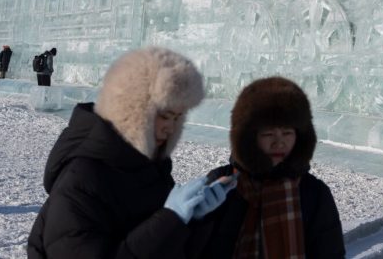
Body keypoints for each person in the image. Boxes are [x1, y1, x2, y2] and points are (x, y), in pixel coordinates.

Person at [28, 47, 234, 259]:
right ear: (132, 108)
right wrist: (170, 220)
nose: (170, 128)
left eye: (177, 118)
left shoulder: (150, 168)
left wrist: (195, 220)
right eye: (165, 115)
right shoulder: (82, 181)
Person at [188, 76, 345, 258]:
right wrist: (198, 219)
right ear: (249, 137)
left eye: (287, 133)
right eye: (268, 134)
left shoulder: (314, 193)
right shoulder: (223, 184)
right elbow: (191, 249)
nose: (279, 143)